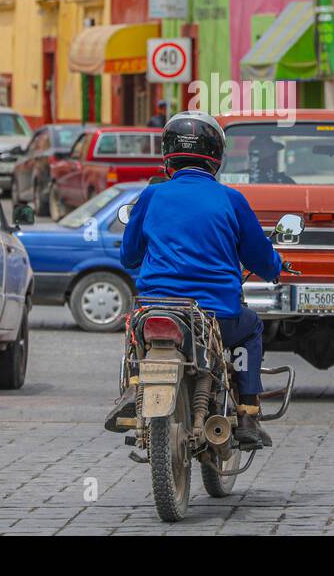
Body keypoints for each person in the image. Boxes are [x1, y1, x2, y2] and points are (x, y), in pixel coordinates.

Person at [116, 110, 285, 449]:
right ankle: (249, 411)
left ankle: (134, 388)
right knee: (250, 328)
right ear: (216, 157)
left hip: (158, 309)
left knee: (136, 329)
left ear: (169, 155)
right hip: (216, 315)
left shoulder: (151, 196)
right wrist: (276, 267)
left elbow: (129, 257)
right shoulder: (231, 199)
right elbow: (261, 259)